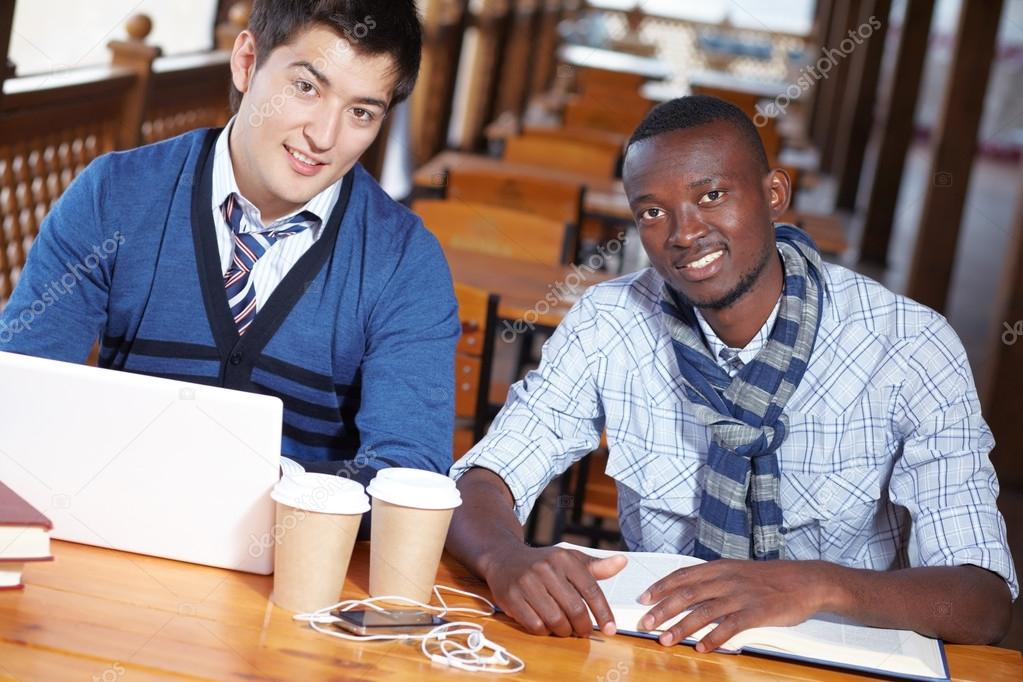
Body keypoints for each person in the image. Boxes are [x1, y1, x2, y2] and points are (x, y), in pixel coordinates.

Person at [447, 95, 1016, 649]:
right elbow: (484, 477)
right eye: (652, 212)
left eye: (712, 195)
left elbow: (982, 600)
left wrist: (818, 585)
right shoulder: (610, 322)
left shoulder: (909, 346)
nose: (683, 233)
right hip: (665, 648)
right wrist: (506, 557)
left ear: (774, 194)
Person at [0, 1, 458, 487]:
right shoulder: (115, 195)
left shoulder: (406, 263)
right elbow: (19, 392)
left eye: (361, 113)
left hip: (299, 535)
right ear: (246, 62)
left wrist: (242, 491)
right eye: (306, 87)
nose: (324, 137)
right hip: (110, 518)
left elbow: (409, 474)